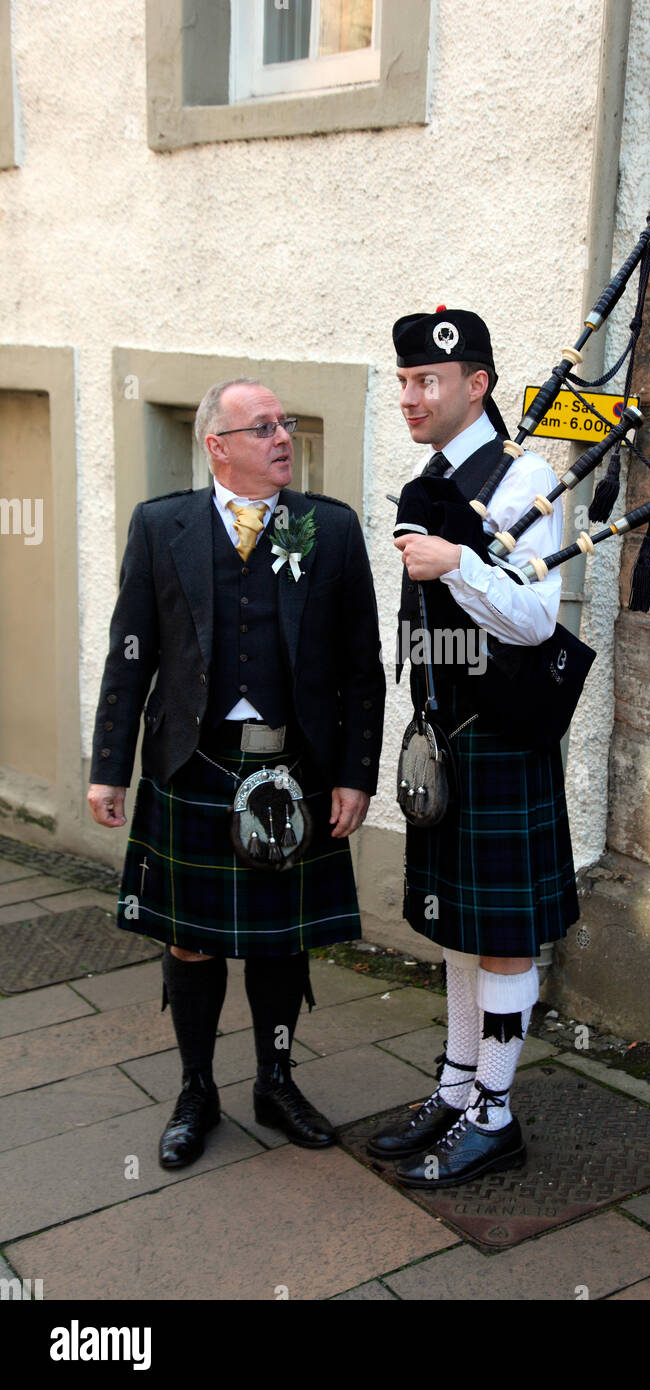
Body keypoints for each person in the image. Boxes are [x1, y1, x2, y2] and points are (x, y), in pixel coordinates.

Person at [87, 378, 385, 1169]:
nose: (283, 437)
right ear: (217, 446)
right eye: (263, 428)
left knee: (282, 942)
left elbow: (364, 667)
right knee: (190, 940)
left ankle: (276, 1081)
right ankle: (196, 1089)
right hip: (194, 768)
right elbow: (131, 655)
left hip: (295, 769)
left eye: (286, 424)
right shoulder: (162, 527)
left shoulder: (330, 529)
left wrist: (357, 774)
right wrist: (108, 766)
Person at [368, 309, 578, 1187]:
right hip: (447, 734)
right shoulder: (432, 476)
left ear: (477, 385)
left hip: (503, 734)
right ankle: (458, 1088)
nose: (412, 396)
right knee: (459, 920)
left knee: (503, 935)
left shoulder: (528, 476)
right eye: (407, 381)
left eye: (430, 382)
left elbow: (535, 619)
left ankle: (496, 1113)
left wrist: (456, 561)